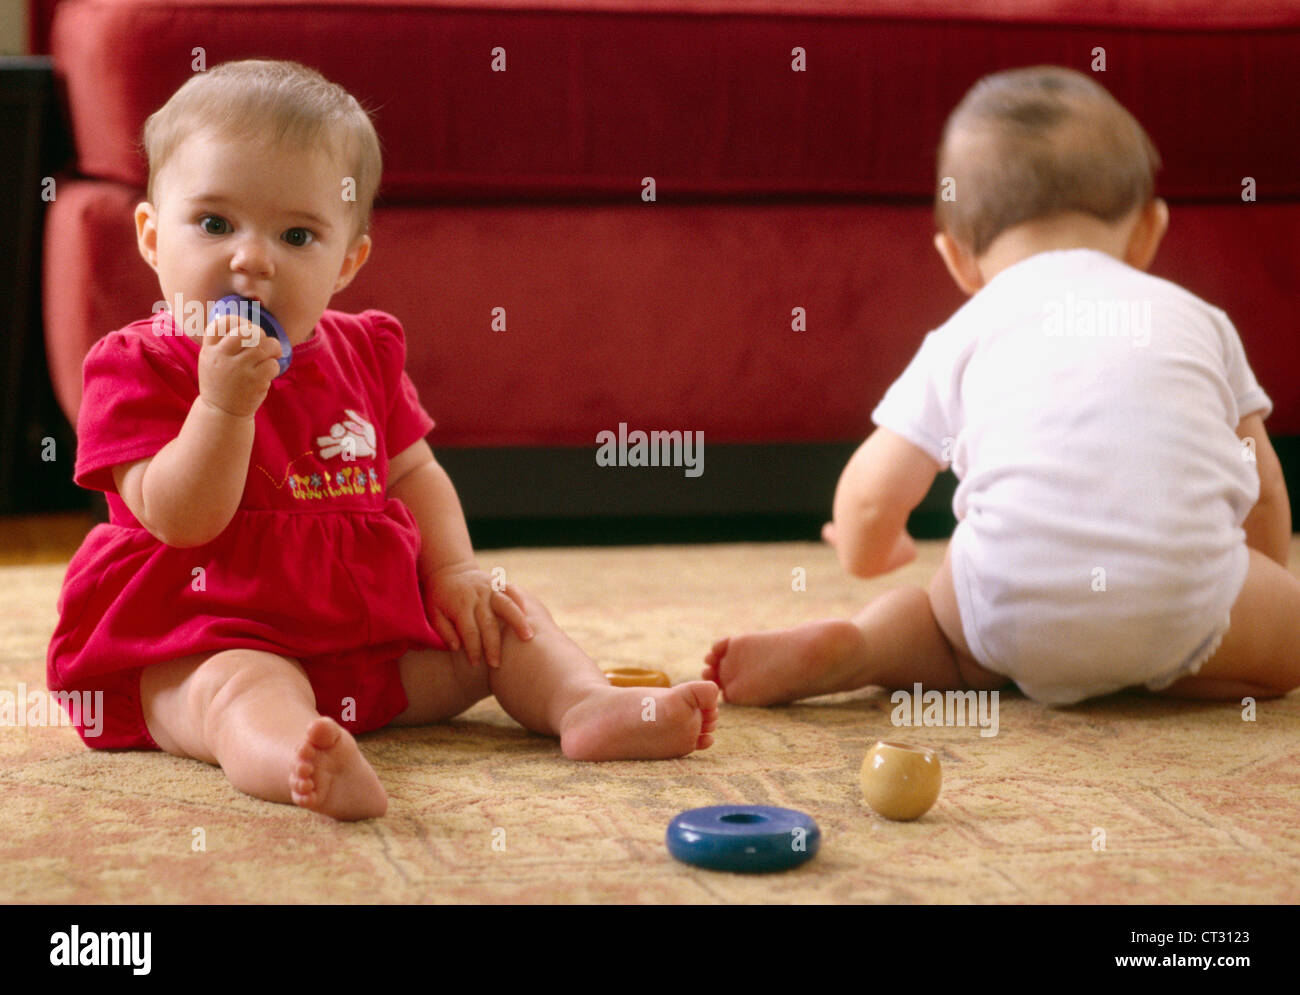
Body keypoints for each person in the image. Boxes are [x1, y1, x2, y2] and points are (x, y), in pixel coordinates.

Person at [47, 59, 717, 821]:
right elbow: (180, 518)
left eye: (297, 235)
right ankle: (294, 754)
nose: (252, 259)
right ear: (151, 237)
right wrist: (223, 409)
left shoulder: (362, 352)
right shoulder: (135, 366)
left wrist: (455, 568)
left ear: (346, 264)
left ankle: (583, 704)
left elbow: (413, 474)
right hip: (200, 629)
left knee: (501, 617)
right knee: (235, 688)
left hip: (363, 638)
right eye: (214, 223)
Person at [705, 66, 1298, 709]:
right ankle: (1168, 666)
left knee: (939, 632)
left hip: (1009, 607)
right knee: (1283, 646)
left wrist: (870, 551)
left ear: (958, 257)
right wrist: (1255, 582)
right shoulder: (1201, 320)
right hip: (1179, 600)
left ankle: (865, 649)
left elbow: (869, 500)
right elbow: (1261, 487)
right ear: (1148, 231)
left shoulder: (964, 333)